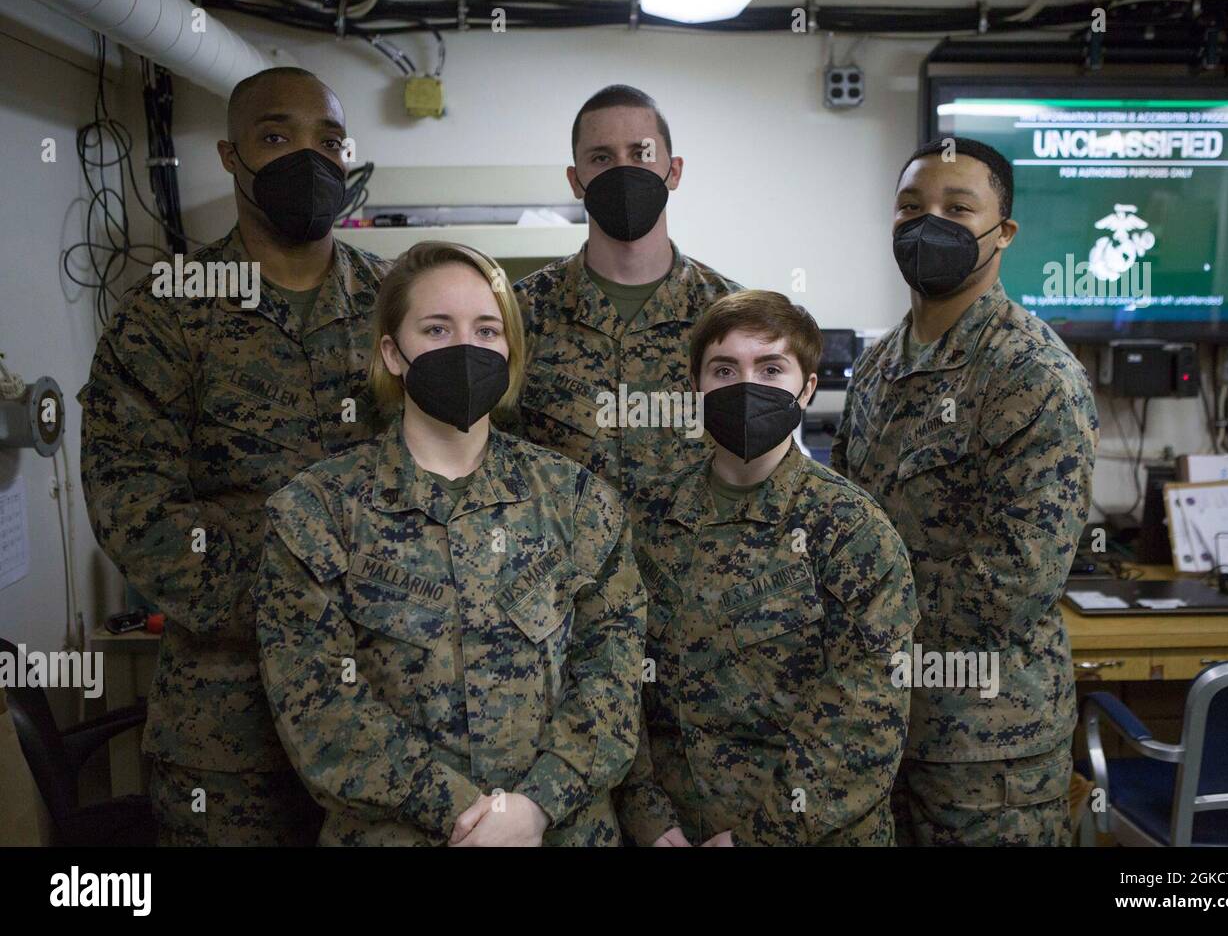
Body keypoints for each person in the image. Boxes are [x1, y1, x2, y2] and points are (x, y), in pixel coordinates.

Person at [78, 67, 390, 846]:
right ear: (230, 155)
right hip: (227, 732)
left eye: (328, 140)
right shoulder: (166, 315)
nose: (307, 160)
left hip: (387, 718)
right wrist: (297, 600)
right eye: (276, 137)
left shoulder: (399, 307)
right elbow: (135, 508)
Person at [252, 241, 647, 846]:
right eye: (437, 329)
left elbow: (612, 680)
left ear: (510, 350)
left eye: (486, 330)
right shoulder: (317, 512)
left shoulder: (579, 502)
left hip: (560, 833)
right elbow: (320, 709)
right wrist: (470, 817)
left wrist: (534, 809)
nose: (466, 348)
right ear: (392, 351)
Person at [831, 137, 1098, 846]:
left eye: (958, 207)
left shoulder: (1032, 374)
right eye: (911, 207)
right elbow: (839, 525)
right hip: (880, 731)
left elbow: (1017, 581)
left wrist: (869, 606)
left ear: (1002, 232)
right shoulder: (878, 366)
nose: (930, 223)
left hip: (987, 751)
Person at [616, 291, 920, 846]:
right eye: (724, 369)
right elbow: (613, 679)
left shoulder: (853, 531)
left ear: (807, 388)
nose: (746, 386)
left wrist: (757, 839)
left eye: (771, 368)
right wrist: (650, 819)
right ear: (696, 388)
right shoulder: (645, 518)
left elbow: (865, 718)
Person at [511, 85, 741, 500]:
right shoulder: (518, 313)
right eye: (601, 157)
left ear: (674, 170)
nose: (623, 170)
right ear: (575, 180)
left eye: (642, 154)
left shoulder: (732, 316)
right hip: (565, 564)